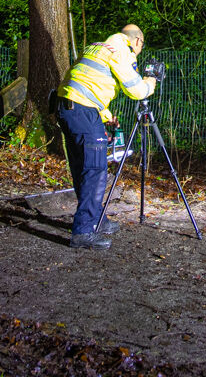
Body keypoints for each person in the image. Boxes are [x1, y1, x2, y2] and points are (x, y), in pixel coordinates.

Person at [54, 25, 158, 250]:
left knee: (83, 167)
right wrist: (150, 83)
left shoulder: (97, 47)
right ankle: (83, 231)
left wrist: (105, 115)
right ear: (137, 41)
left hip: (68, 108)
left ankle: (96, 220)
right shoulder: (122, 49)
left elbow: (86, 83)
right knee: (95, 170)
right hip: (82, 110)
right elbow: (135, 89)